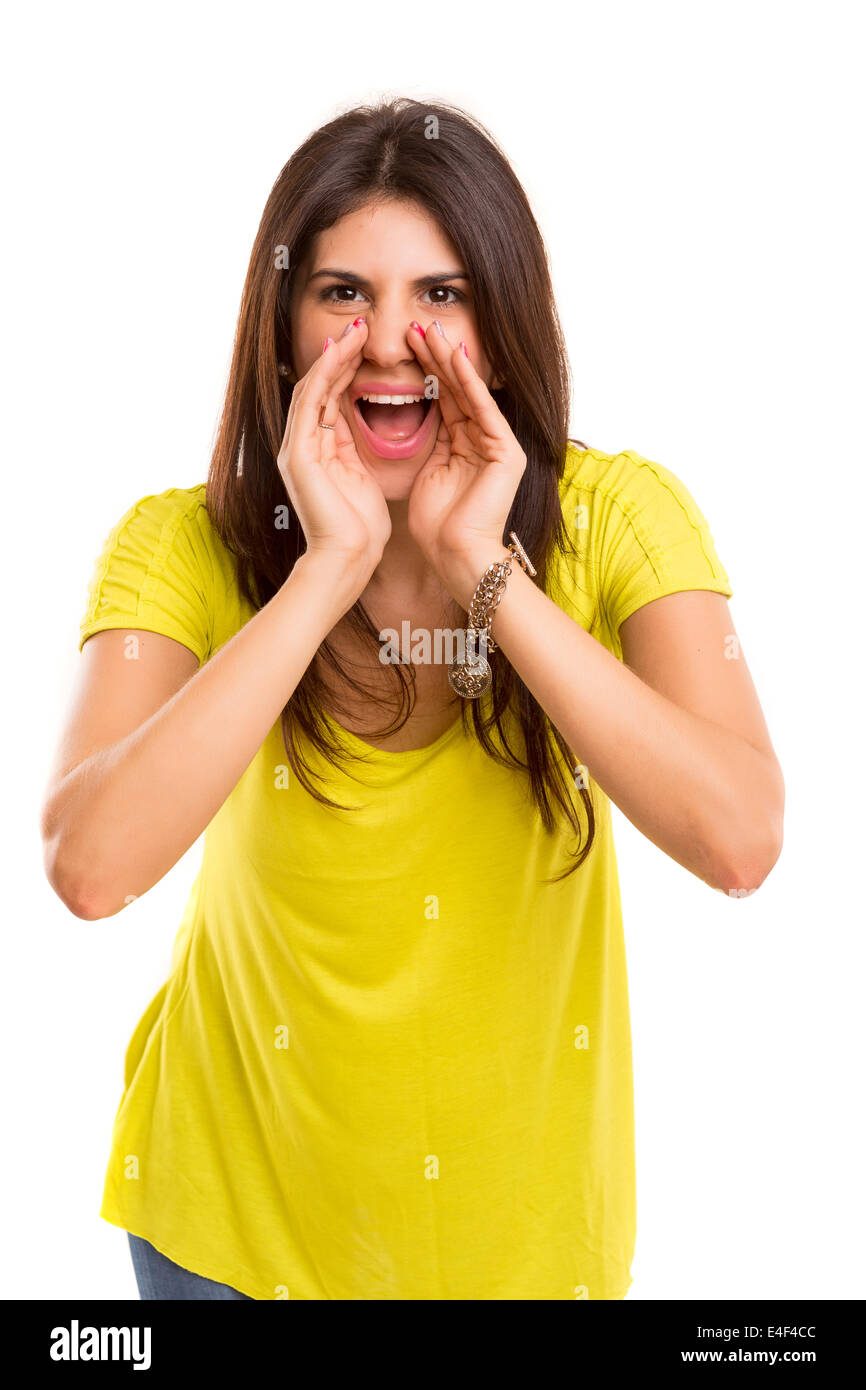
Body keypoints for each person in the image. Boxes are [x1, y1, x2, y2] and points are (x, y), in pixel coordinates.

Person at [40, 97, 784, 1301]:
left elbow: (740, 838)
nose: (390, 341)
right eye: (343, 293)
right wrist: (324, 566)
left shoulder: (617, 517)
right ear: (281, 331)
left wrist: (484, 574)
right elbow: (90, 868)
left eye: (440, 295)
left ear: (502, 324)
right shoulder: (180, 544)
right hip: (229, 1237)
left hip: (522, 1252)